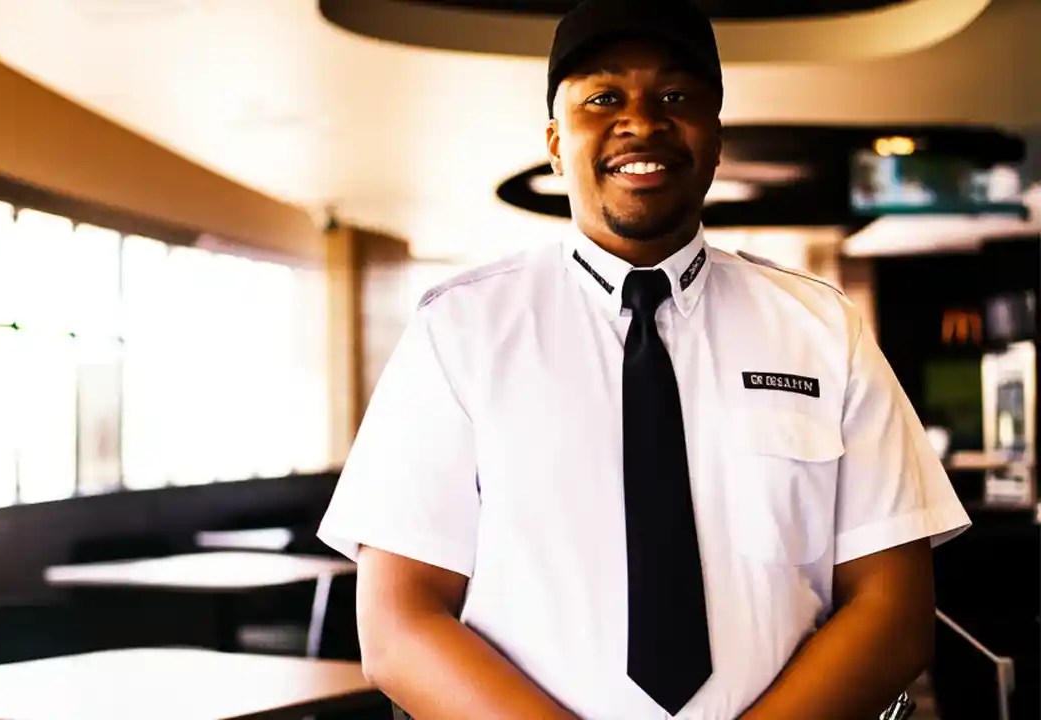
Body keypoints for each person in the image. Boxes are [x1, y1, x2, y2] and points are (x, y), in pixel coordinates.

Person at [316, 0, 971, 717]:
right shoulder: (460, 331)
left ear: (716, 138)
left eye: (676, 96)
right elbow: (398, 623)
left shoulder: (823, 330)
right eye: (603, 97)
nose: (642, 121)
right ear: (556, 143)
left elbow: (893, 608)